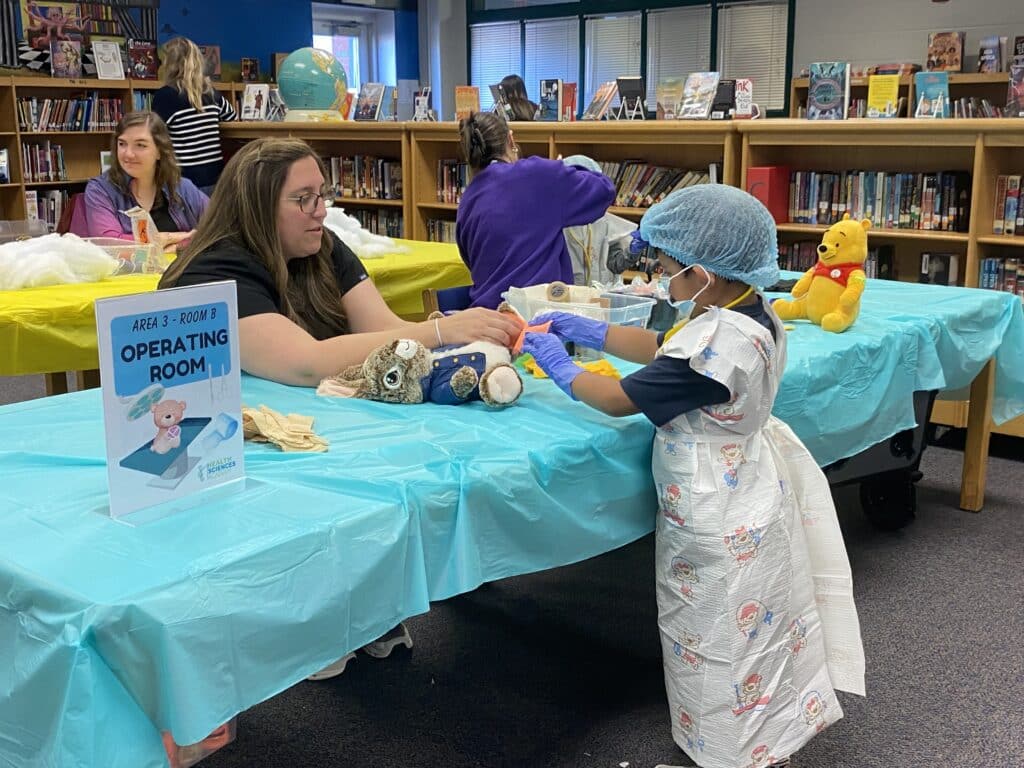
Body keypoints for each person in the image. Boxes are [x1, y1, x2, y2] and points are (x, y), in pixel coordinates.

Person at [521, 185, 865, 768]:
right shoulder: (746, 312)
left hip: (715, 508)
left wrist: (556, 363)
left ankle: (730, 752)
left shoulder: (716, 348)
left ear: (702, 274)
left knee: (712, 630)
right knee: (753, 626)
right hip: (750, 488)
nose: (660, 279)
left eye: (668, 269)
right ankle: (755, 740)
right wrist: (592, 330)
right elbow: (664, 346)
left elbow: (615, 398)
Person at [159, 137, 519, 678]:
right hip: (230, 448)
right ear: (257, 204)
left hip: (318, 423)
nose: (320, 211)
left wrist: (465, 339)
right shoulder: (214, 270)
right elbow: (304, 362)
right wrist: (443, 329)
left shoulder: (322, 246)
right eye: (303, 199)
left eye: (322, 195)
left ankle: (362, 603)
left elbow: (387, 332)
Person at [455, 111, 616, 309]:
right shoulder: (539, 175)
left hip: (486, 317)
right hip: (539, 316)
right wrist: (563, 169)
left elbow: (470, 260)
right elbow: (604, 190)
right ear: (511, 139)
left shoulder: (468, 198)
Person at [83, 111, 208, 249]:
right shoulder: (100, 189)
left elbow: (221, 227)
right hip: (128, 270)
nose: (128, 154)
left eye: (140, 145)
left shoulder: (181, 186)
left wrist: (181, 246)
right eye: (122, 144)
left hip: (181, 268)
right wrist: (169, 238)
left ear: (160, 151)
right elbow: (110, 245)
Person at [152, 37, 236, 195]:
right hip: (215, 177)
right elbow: (232, 117)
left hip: (183, 180)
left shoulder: (165, 96)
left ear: (170, 65)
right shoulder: (211, 93)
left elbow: (154, 134)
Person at [559, 155, 636, 287]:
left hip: (599, 298)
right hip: (564, 297)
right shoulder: (555, 222)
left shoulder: (604, 221)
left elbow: (616, 265)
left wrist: (632, 252)